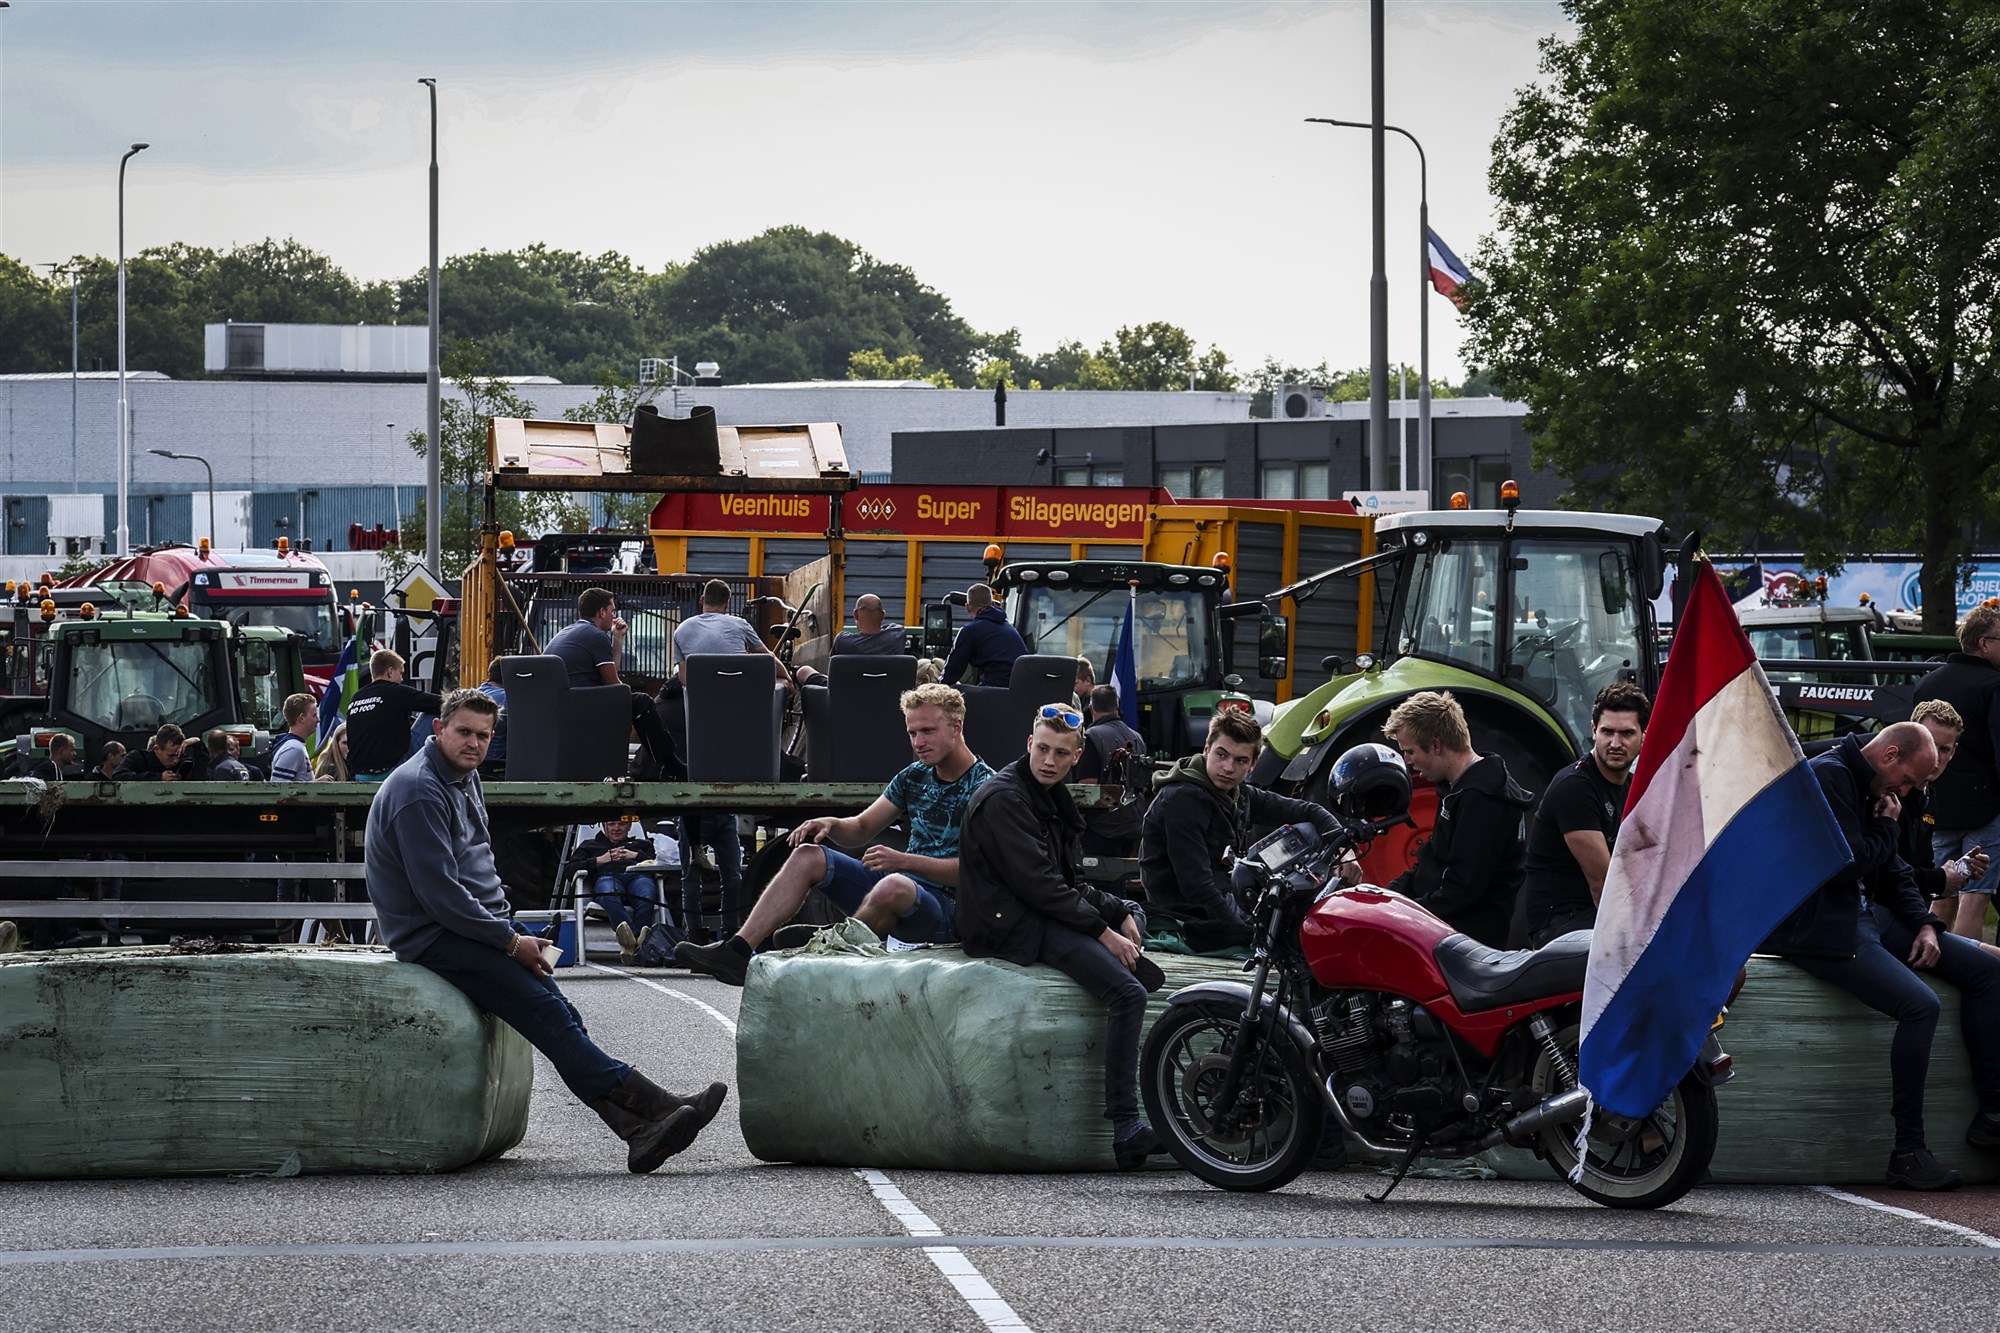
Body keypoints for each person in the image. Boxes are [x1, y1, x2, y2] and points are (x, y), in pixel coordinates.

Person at [365, 688, 726, 1174]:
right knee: (547, 1013)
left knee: (562, 1013)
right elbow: (440, 896)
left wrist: (507, 926)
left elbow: (478, 868)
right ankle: (656, 1107)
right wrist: (510, 940)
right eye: (464, 732)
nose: (474, 743)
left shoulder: (464, 778)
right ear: (439, 729)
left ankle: (640, 1130)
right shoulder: (418, 791)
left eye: (484, 736)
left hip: (477, 925)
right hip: (433, 935)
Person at [1764, 722, 2000, 1191]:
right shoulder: (1829, 776)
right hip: (1817, 928)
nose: (1907, 792)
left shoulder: (1876, 787)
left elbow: (1893, 873)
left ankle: (1993, 1115)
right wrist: (1887, 827)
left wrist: (1927, 924)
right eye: (1908, 780)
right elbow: (1845, 865)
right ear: (1890, 755)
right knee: (1920, 1005)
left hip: (1864, 914)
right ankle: (1908, 1151)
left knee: (1987, 972)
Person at [956, 702, 1162, 1169]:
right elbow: (1042, 887)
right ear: (1029, 744)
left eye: (1061, 753)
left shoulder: (1049, 796)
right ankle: (1126, 1127)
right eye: (1043, 749)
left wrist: (1118, 912)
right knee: (1128, 993)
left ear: (1076, 757)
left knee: (1132, 911)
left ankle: (1131, 939)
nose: (1049, 761)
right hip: (1008, 924)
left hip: (1038, 911)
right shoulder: (1005, 799)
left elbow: (1069, 882)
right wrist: (1103, 933)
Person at [677, 683, 994, 984]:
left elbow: (975, 874)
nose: (918, 743)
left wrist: (904, 861)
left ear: (956, 727)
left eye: (928, 731)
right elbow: (862, 828)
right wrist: (830, 823)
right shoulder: (913, 776)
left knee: (895, 884)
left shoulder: (987, 788)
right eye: (912, 733)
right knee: (808, 856)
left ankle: (827, 945)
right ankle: (738, 952)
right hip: (902, 895)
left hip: (946, 912)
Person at [1140, 709, 1341, 952]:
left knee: (1307, 833)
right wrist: (1248, 935)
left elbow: (1308, 811)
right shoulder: (1183, 800)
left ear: (1252, 765)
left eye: (1240, 761)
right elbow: (1197, 887)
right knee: (1294, 935)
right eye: (1221, 755)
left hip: (1228, 892)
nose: (1228, 767)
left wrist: (1342, 849)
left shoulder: (1238, 794)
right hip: (1188, 912)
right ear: (1206, 750)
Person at [1381, 691, 1536, 948]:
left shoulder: (1484, 801)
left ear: (1436, 745)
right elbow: (1433, 859)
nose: (1407, 761)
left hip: (1462, 942)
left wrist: (1402, 915)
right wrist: (1386, 895)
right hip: (1445, 928)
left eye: (1410, 751)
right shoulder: (1458, 788)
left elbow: (1462, 890)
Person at [1514, 684, 1648, 948]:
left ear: (1644, 736)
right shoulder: (1575, 787)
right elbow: (1603, 885)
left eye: (1627, 733)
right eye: (1607, 732)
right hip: (1562, 923)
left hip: (1595, 916)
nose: (1615, 743)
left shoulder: (1632, 787)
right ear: (1594, 730)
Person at [1913, 607, 2000, 946]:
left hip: (1937, 803)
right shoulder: (1994, 685)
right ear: (1984, 644)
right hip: (1985, 807)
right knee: (1974, 898)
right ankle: (1972, 973)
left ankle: (1928, 959)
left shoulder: (1927, 683)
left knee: (1942, 892)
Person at [544, 588, 678, 774]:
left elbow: (610, 679)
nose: (615, 616)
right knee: (642, 703)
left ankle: (663, 765)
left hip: (562, 704)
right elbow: (614, 686)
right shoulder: (596, 636)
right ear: (602, 612)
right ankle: (669, 766)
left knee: (632, 701)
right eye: (613, 611)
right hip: (579, 705)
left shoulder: (568, 631)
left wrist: (617, 639)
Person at [563, 818, 662, 964]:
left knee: (647, 895)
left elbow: (662, 862)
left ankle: (630, 943)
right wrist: (599, 860)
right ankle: (638, 940)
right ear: (604, 826)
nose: (616, 828)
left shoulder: (642, 845)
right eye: (611, 824)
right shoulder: (590, 845)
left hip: (638, 876)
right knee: (608, 894)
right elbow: (569, 870)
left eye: (621, 824)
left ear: (629, 826)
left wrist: (636, 856)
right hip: (608, 877)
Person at [346, 650, 443, 780]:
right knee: (435, 712)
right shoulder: (395, 691)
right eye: (401, 673)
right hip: (392, 770)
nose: (402, 679)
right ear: (390, 671)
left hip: (360, 775)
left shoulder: (356, 697)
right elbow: (439, 702)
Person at [793, 594, 911, 686]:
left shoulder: (842, 641)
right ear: (883, 615)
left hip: (844, 698)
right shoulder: (898, 634)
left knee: (803, 671)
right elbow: (892, 627)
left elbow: (832, 672)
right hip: (887, 699)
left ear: (855, 615)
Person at [942, 583, 1028, 688]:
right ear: (992, 603)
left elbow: (953, 667)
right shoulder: (1009, 627)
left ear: (967, 607)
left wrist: (940, 686)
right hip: (1021, 687)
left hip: (996, 689)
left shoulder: (970, 630)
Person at [1075, 684, 1144, 784]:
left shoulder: (1091, 736)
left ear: (1091, 708)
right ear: (1117, 707)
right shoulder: (1137, 737)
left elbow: (1087, 784)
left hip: (1104, 794)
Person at [268, 694, 318, 783]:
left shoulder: (293, 745)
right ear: (302, 718)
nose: (318, 719)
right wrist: (316, 784)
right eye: (314, 715)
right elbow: (279, 787)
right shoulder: (294, 749)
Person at [114, 724, 191, 782]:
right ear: (156, 749)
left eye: (178, 755)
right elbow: (118, 776)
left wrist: (195, 743)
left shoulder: (184, 761)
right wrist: (158, 777)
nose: (176, 761)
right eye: (171, 756)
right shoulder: (138, 757)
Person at [476, 656, 509, 777]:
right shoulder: (508, 698)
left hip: (472, 768)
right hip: (492, 770)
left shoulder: (473, 694)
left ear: (489, 674)